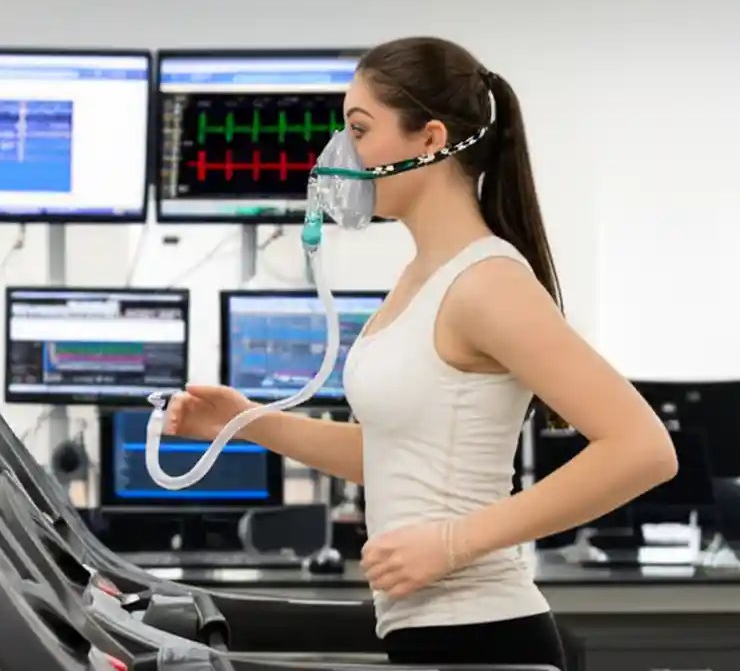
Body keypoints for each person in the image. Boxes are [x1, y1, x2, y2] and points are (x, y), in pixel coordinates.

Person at [162, 36, 678, 669]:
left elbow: (643, 449)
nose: (340, 153)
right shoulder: (422, 278)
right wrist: (246, 421)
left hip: (483, 635)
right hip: (425, 632)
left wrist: (454, 543)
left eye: (360, 128)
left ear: (429, 140)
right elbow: (394, 454)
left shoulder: (487, 283)